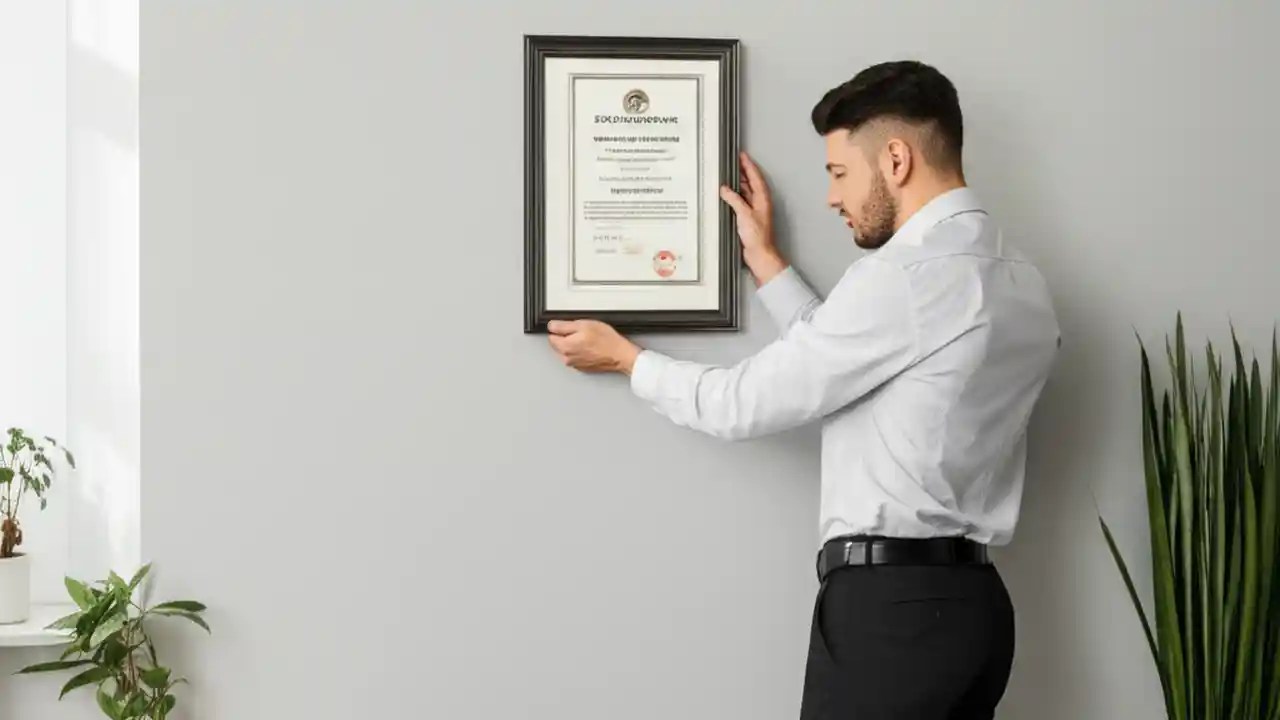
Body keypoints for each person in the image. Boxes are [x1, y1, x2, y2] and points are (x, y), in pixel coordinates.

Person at [546, 59, 1060, 720]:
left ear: (897, 159)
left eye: (839, 172)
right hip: (977, 612)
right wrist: (768, 264)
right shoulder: (1021, 282)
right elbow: (860, 364)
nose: (831, 197)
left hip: (891, 616)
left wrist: (627, 361)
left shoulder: (903, 278)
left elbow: (746, 401)